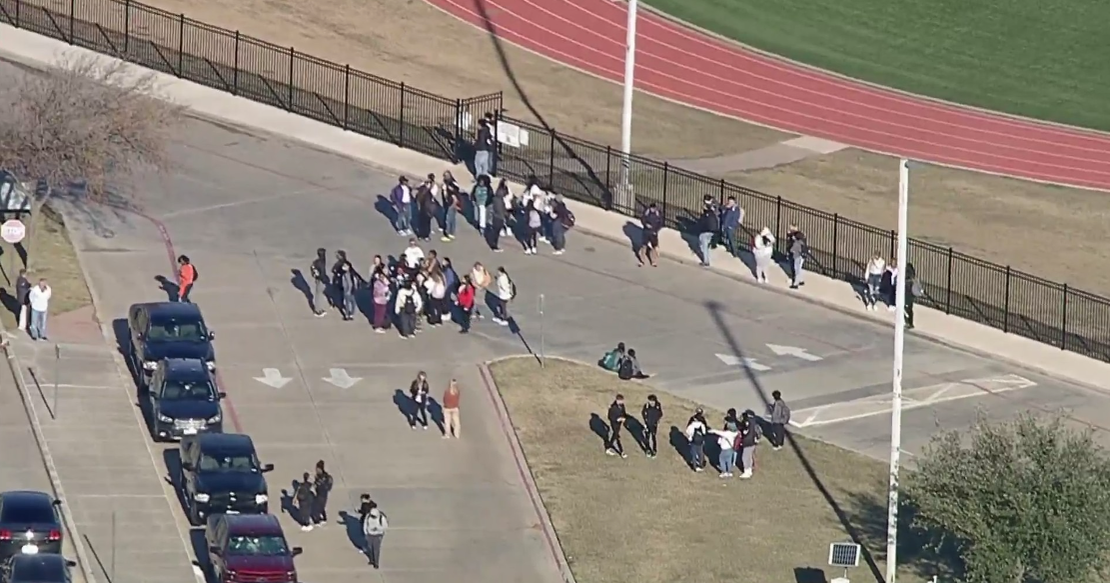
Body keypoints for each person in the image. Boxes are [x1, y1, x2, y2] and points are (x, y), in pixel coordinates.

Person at [361, 500, 388, 569]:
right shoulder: (368, 517)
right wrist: (366, 533)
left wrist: (378, 528)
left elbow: (385, 527)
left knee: (376, 549)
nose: (373, 517)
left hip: (377, 535)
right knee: (370, 547)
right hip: (370, 535)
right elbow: (365, 525)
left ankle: (376, 563)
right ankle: (372, 559)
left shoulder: (381, 518)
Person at [311, 460, 333, 527]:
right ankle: (324, 518)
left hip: (322, 494)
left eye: (317, 469)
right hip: (319, 493)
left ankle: (317, 520)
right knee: (321, 506)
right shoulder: (318, 476)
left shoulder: (325, 477)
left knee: (317, 507)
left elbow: (328, 486)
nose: (316, 470)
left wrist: (320, 485)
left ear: (321, 469)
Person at [605, 394, 628, 458]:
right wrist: (617, 419)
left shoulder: (622, 406)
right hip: (614, 423)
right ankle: (621, 452)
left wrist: (624, 418)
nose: (621, 402)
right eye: (620, 401)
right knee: (615, 435)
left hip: (619, 424)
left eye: (622, 401)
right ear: (617, 400)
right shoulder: (613, 407)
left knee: (615, 436)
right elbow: (610, 417)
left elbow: (624, 413)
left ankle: (609, 447)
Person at [488, 182, 508, 252]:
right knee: (496, 233)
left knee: (495, 232)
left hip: (495, 217)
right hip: (499, 218)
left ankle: (494, 245)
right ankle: (494, 246)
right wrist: (505, 214)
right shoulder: (500, 200)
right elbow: (500, 210)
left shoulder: (496, 198)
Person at [441, 171, 461, 241]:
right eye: (444, 175)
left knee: (448, 218)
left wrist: (448, 189)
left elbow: (455, 191)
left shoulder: (451, 184)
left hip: (451, 202)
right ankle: (451, 233)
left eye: (446, 175)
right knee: (452, 218)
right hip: (450, 202)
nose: (445, 177)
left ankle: (448, 234)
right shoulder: (449, 183)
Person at [309, 248, 329, 316]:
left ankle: (318, 309)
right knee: (319, 295)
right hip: (321, 279)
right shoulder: (321, 262)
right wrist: (324, 280)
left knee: (318, 294)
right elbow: (322, 272)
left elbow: (312, 268)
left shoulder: (316, 262)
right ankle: (318, 310)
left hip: (317, 279)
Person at [786, 224, 807, 289]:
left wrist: (792, 236)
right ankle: (800, 280)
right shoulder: (794, 236)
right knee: (798, 268)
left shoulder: (798, 236)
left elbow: (796, 243)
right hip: (796, 254)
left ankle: (796, 283)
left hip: (798, 255)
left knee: (797, 268)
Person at [904, 262, 920, 329]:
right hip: (910, 296)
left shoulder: (907, 280)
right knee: (909, 309)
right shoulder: (913, 279)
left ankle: (908, 323)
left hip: (907, 296)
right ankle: (910, 322)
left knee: (906, 309)